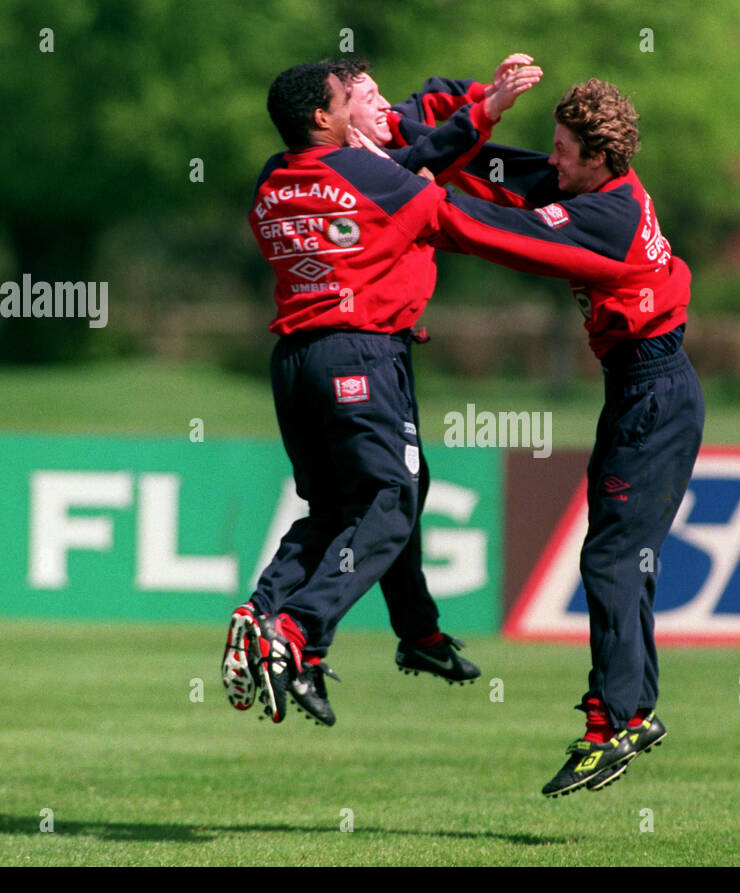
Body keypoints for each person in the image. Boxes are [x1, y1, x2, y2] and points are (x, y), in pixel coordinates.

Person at [220, 61, 539, 728]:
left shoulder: (271, 176)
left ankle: (266, 611)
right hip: (358, 354)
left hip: (293, 361)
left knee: (340, 508)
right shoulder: (361, 173)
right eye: (349, 97)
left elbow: (411, 156)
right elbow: (434, 180)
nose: (367, 104)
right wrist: (488, 116)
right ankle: (299, 632)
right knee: (390, 503)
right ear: (323, 118)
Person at [430, 79, 705, 797]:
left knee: (612, 558)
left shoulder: (606, 217)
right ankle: (632, 712)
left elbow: (504, 235)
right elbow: (513, 176)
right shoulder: (593, 187)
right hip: (645, 390)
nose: (552, 161)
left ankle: (611, 724)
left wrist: (413, 202)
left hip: (655, 395)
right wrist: (424, 150)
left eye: (563, 151)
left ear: (599, 157)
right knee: (622, 557)